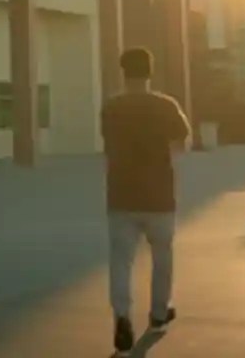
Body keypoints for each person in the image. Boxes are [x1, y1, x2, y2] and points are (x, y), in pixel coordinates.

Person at [100, 48, 191, 357]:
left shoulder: (111, 108)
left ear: (123, 72)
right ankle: (158, 313)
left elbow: (108, 147)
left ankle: (122, 318)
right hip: (159, 196)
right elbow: (182, 142)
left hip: (121, 195)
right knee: (162, 256)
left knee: (121, 261)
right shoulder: (166, 105)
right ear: (150, 72)